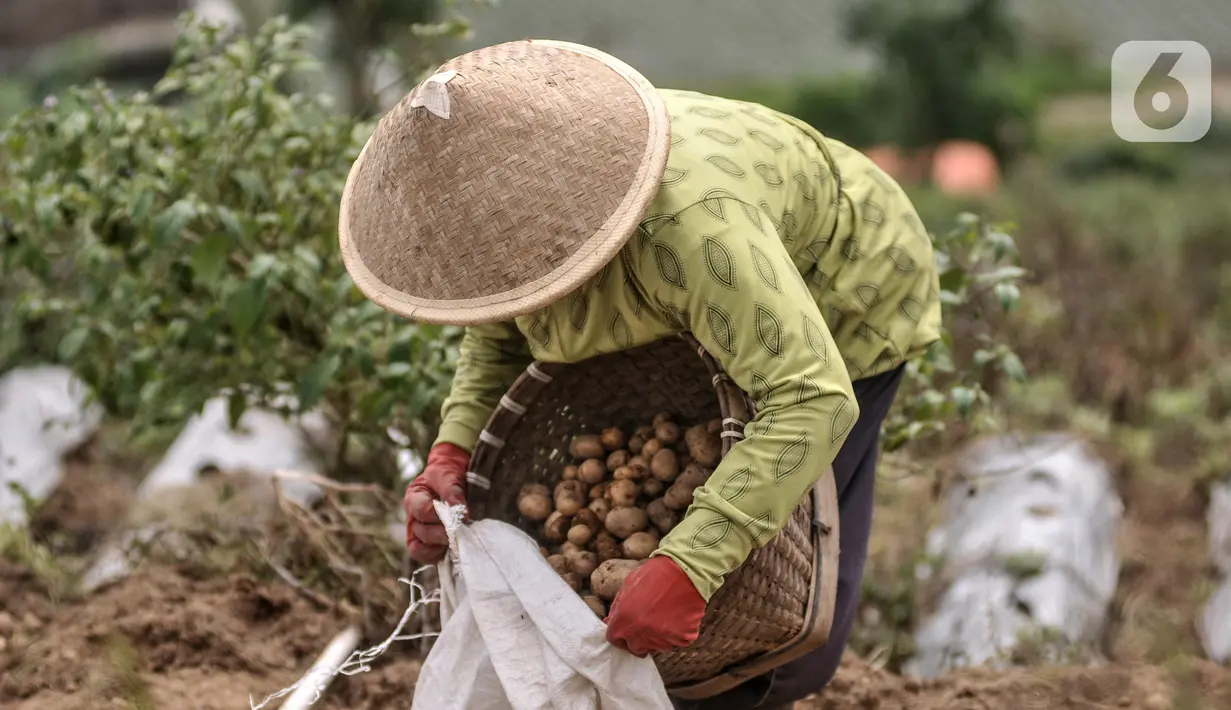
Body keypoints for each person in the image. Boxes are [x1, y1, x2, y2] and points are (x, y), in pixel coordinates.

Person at [338, 39, 941, 710]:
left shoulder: (695, 229)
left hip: (840, 303)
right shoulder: (514, 226)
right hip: (693, 313)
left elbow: (809, 398)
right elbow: (499, 331)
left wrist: (688, 566)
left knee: (763, 629)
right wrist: (451, 451)